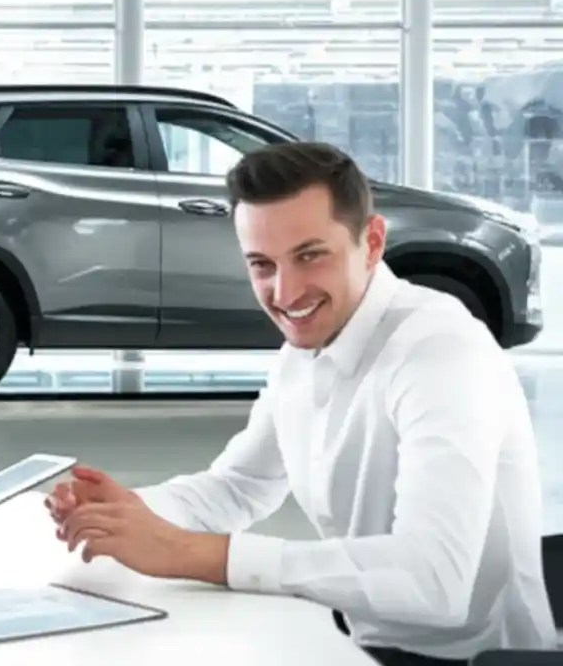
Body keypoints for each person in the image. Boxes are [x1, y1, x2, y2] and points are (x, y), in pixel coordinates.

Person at [47, 142, 555, 665]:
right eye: (262, 265)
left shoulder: (440, 350)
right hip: (361, 642)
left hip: (473, 659)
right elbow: (240, 486)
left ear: (372, 242)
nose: (286, 293)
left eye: (310, 256)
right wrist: (125, 513)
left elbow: (436, 581)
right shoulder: (304, 351)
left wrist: (192, 554)